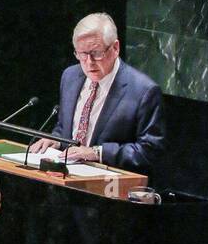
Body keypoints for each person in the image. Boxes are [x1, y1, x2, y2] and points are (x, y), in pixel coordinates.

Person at [29, 12, 165, 175]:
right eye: (81, 54)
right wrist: (55, 141)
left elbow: (150, 151)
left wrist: (97, 153)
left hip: (109, 188)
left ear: (115, 48)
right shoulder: (70, 76)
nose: (89, 62)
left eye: (96, 53)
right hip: (63, 181)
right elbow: (64, 127)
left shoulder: (143, 91)